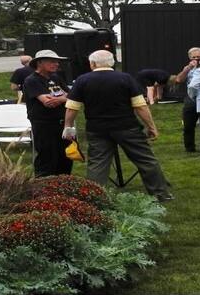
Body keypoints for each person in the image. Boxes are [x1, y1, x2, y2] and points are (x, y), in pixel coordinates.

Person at [62, 50, 173, 202]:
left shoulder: (82, 80)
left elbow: (71, 107)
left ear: (92, 64)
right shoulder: (125, 78)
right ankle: (161, 194)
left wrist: (68, 127)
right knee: (145, 160)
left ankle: (94, 199)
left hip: (97, 128)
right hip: (127, 127)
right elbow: (140, 106)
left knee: (97, 164)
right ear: (112, 63)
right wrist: (151, 126)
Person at [22, 50, 73, 177]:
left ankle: (63, 185)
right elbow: (48, 103)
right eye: (52, 62)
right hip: (44, 124)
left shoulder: (55, 78)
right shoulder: (32, 80)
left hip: (61, 122)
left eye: (57, 62)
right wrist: (64, 98)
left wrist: (60, 99)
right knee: (47, 156)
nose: (56, 64)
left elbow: (72, 96)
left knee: (65, 157)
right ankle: (43, 186)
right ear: (40, 63)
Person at [173, 47, 200, 153]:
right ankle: (190, 148)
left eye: (198, 57)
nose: (196, 59)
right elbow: (178, 80)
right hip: (191, 98)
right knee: (188, 125)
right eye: (193, 57)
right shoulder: (188, 68)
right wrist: (187, 69)